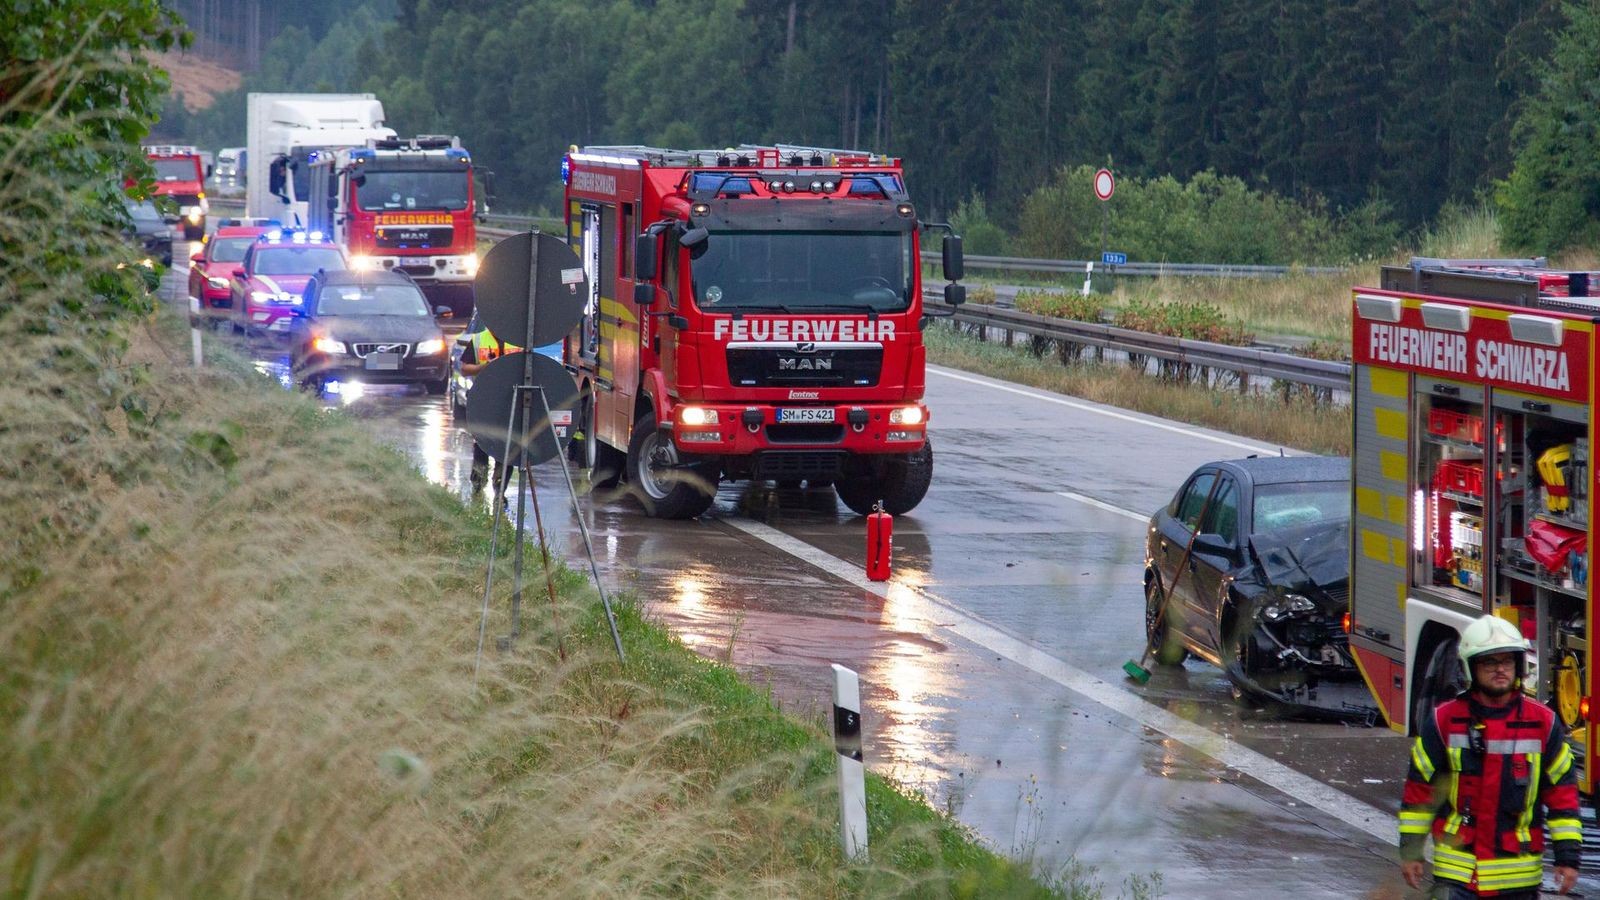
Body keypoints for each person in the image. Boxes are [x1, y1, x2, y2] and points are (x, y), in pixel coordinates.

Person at [1399, 614, 1580, 898]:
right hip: (1456, 876)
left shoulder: (1543, 724)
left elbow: (1563, 797)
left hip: (1516, 879)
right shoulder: (1444, 721)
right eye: (1490, 662)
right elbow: (1420, 792)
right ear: (1471, 668)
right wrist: (1411, 851)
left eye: (1507, 662)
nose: (1500, 670)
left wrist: (1568, 859)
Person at [456, 314, 518, 493]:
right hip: (484, 400)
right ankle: (477, 487)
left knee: (507, 447)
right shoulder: (478, 339)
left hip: (509, 401)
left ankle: (500, 492)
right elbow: (465, 369)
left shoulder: (517, 342)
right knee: (482, 444)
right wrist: (483, 367)